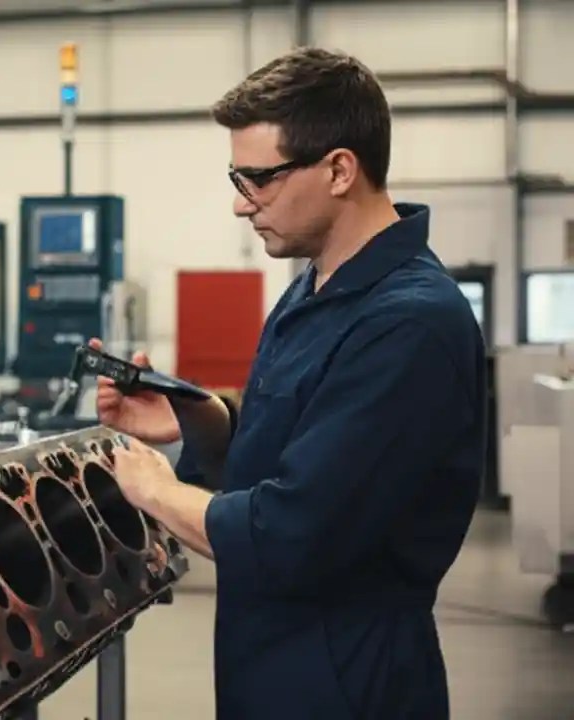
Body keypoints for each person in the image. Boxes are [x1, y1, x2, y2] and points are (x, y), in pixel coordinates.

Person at [92, 47, 486, 720]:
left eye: (259, 179)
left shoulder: (410, 325)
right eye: (236, 178)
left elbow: (291, 534)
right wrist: (198, 414)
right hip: (270, 656)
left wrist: (156, 490)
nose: (242, 206)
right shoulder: (314, 285)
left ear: (338, 170)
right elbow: (302, 433)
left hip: (345, 676)